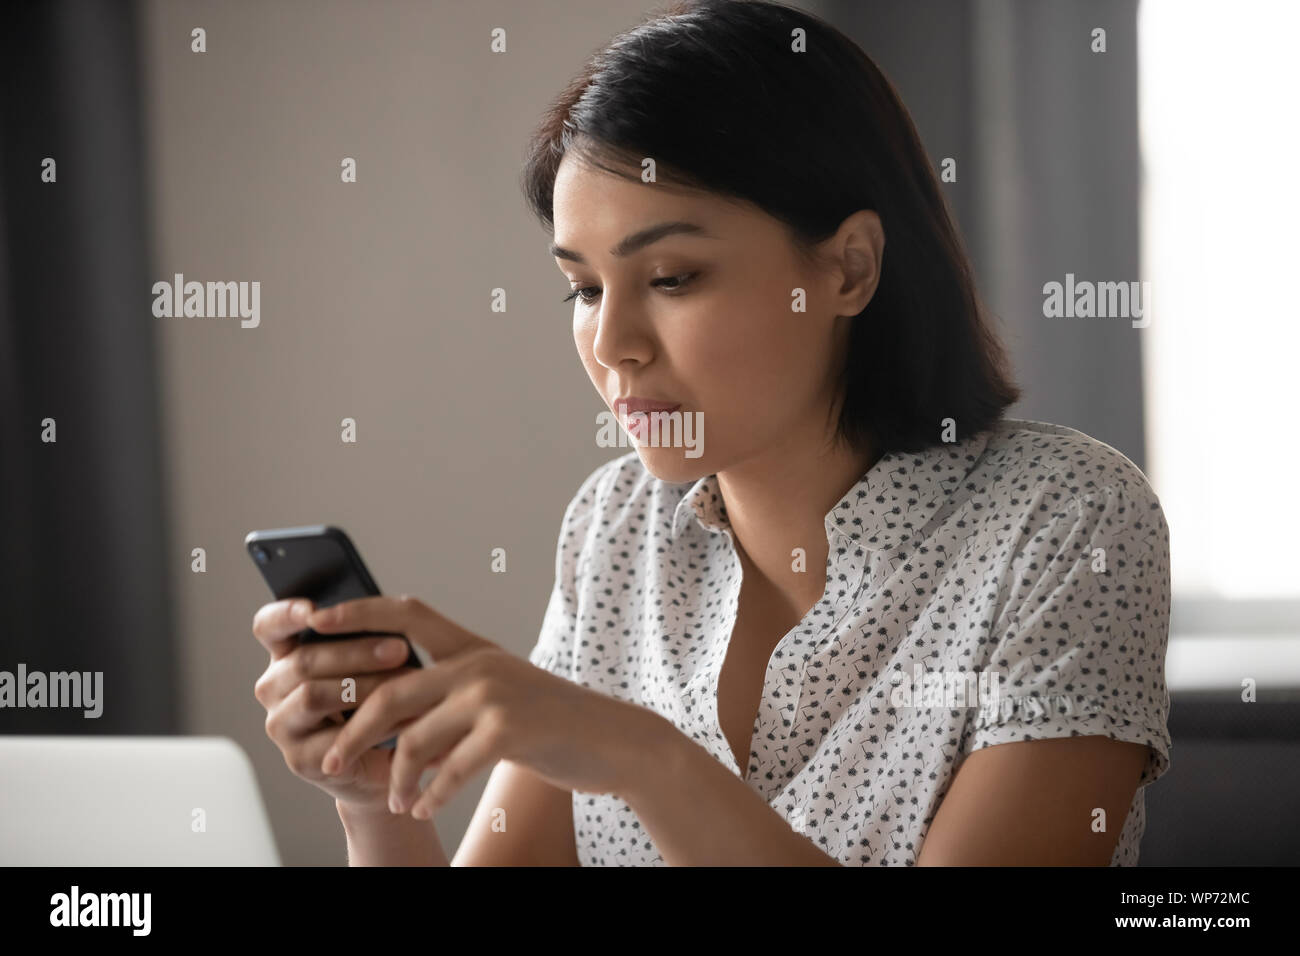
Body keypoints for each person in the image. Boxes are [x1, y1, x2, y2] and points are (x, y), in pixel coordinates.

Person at [252, 0, 1171, 866]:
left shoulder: (1068, 520)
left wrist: (640, 756)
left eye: (674, 277)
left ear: (849, 269)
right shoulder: (617, 526)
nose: (613, 344)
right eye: (582, 288)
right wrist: (376, 801)